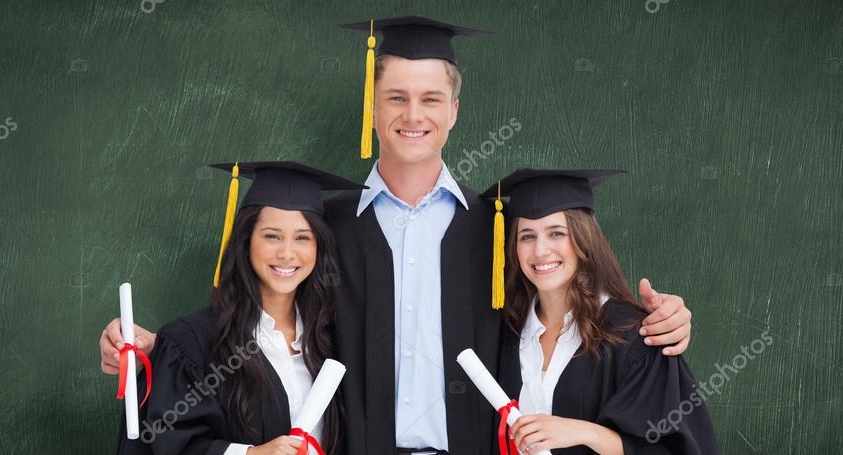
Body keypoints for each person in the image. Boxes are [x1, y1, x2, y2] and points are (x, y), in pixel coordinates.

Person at [104, 16, 696, 455]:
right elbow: (270, 324)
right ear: (373, 103)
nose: (414, 114)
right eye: (397, 97)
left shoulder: (500, 230)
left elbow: (564, 306)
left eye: (431, 98)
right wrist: (159, 351)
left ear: (455, 110)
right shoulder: (320, 228)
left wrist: (662, 321)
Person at [116, 162, 365, 455]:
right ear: (246, 242)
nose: (287, 253)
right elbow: (164, 442)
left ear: (318, 247)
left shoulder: (332, 339)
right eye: (272, 236)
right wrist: (250, 454)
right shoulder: (192, 345)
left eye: (302, 237)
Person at [483, 169, 719, 454]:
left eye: (557, 233)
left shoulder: (635, 337)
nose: (540, 250)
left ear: (584, 238)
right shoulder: (506, 332)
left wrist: (582, 432)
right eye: (527, 236)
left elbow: (671, 448)